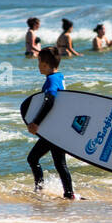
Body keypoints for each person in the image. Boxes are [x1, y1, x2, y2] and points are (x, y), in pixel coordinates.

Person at [25, 47, 75, 199]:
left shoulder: (51, 80)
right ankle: (68, 193)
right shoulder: (59, 77)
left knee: (34, 159)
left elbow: (50, 101)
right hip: (57, 128)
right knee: (59, 163)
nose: (38, 65)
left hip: (54, 130)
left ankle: (40, 190)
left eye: (39, 61)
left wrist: (36, 123)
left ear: (46, 64)